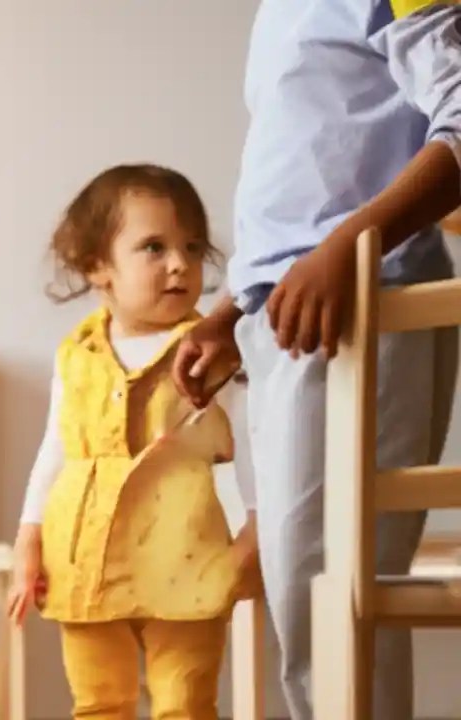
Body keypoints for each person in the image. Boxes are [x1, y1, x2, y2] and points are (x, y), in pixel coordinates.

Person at [172, 3, 461, 719]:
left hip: (363, 303)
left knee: (334, 595)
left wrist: (348, 243)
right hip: (282, 319)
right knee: (304, 600)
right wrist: (228, 311)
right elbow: (300, 172)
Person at [7, 164, 260, 720]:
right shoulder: (77, 354)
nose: (179, 264)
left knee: (186, 702)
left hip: (185, 552)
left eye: (192, 248)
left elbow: (245, 442)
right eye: (154, 247)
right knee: (99, 703)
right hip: (86, 556)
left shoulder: (212, 348)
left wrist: (255, 528)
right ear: (98, 266)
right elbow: (57, 449)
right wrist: (29, 538)